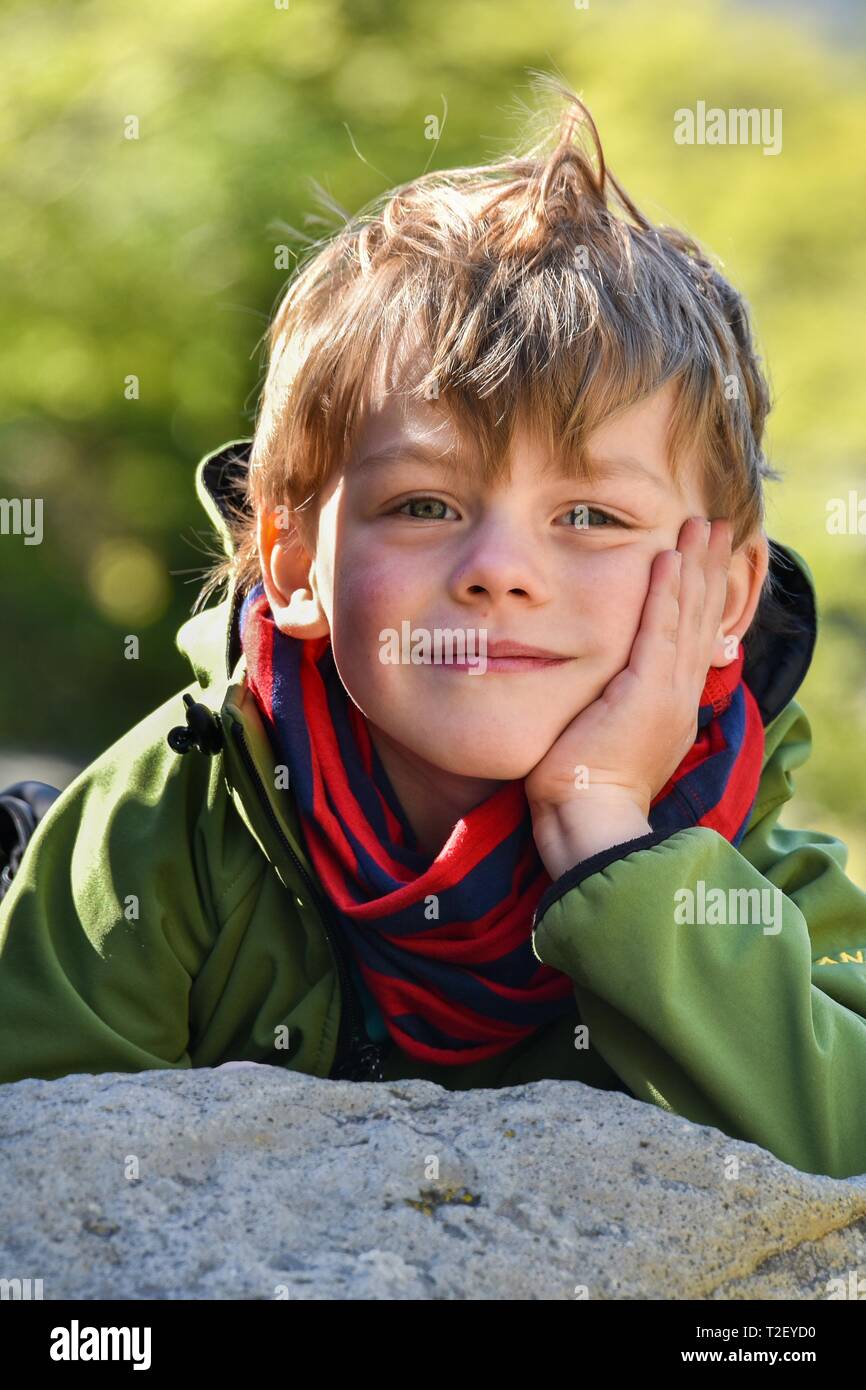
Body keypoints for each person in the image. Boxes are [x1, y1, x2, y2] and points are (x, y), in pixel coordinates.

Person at [2, 76, 864, 1181]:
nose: (498, 570)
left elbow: (844, 1137)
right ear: (291, 562)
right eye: (424, 505)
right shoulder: (165, 822)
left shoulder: (745, 855)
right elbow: (41, 1174)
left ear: (726, 599)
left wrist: (613, 836)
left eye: (589, 516)